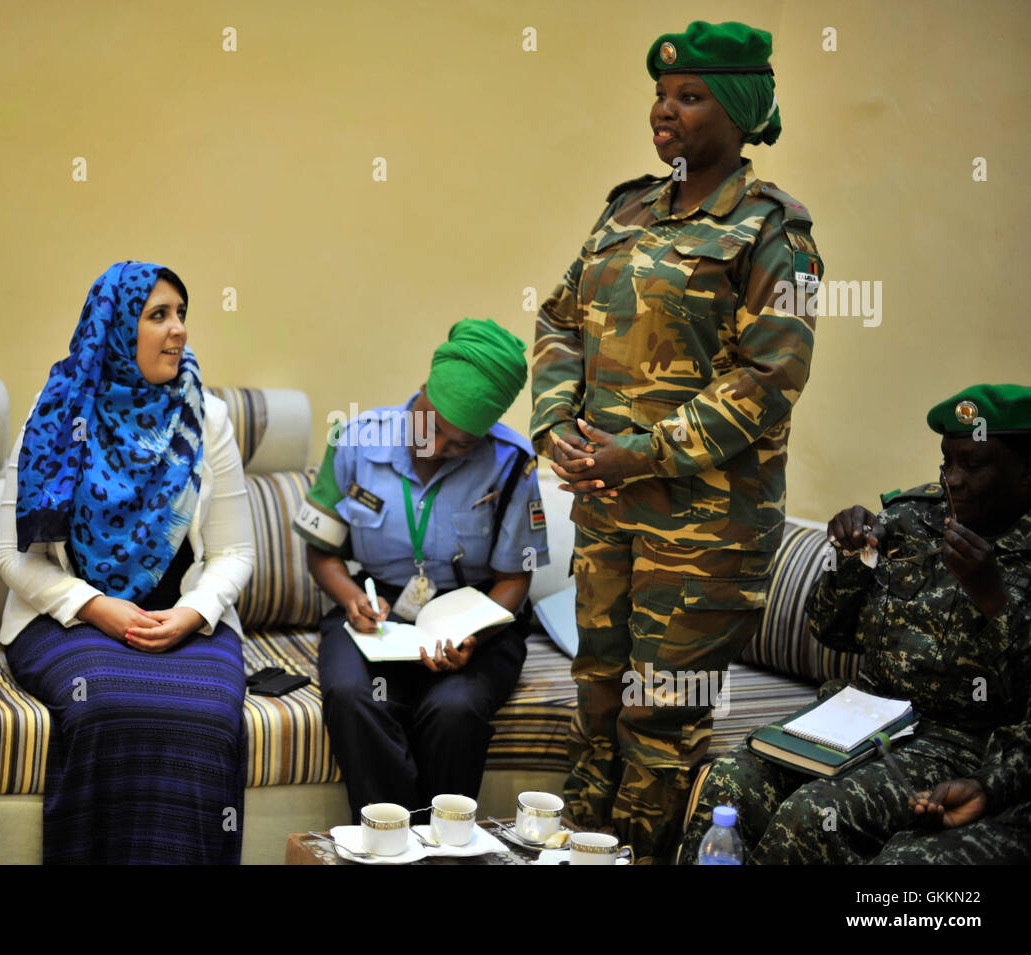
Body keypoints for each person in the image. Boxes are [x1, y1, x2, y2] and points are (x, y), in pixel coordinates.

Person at [530, 20, 823, 861]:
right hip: (607, 507)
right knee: (596, 700)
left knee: (660, 723)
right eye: (661, 95)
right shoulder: (626, 207)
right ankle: (582, 850)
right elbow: (559, 320)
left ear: (738, 113)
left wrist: (643, 452)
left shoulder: (777, 234)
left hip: (705, 530)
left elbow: (770, 381)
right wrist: (557, 429)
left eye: (689, 97)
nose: (665, 112)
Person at [678, 383, 1031, 864]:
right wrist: (850, 558)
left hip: (954, 747)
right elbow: (828, 629)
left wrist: (993, 597)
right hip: (858, 716)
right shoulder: (911, 520)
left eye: (974, 465)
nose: (954, 480)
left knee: (811, 815)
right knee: (726, 783)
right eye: (948, 462)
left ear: (1025, 473)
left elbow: (1019, 700)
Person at [0, 261, 254, 865]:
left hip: (186, 622)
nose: (178, 330)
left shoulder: (205, 416)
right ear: (114, 327)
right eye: (157, 315)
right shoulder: (57, 413)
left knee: (213, 718)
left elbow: (237, 552)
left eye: (182, 314)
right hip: (73, 618)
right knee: (103, 704)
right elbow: (12, 556)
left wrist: (193, 612)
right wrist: (94, 607)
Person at [295, 318, 549, 824]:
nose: (438, 447)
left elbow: (516, 578)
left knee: (454, 709)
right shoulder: (356, 440)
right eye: (431, 428)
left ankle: (443, 844)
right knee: (352, 695)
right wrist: (351, 599)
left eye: (460, 445)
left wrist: (470, 633)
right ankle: (392, 839)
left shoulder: (511, 463)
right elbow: (321, 553)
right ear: (422, 391)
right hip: (377, 608)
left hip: (476, 614)